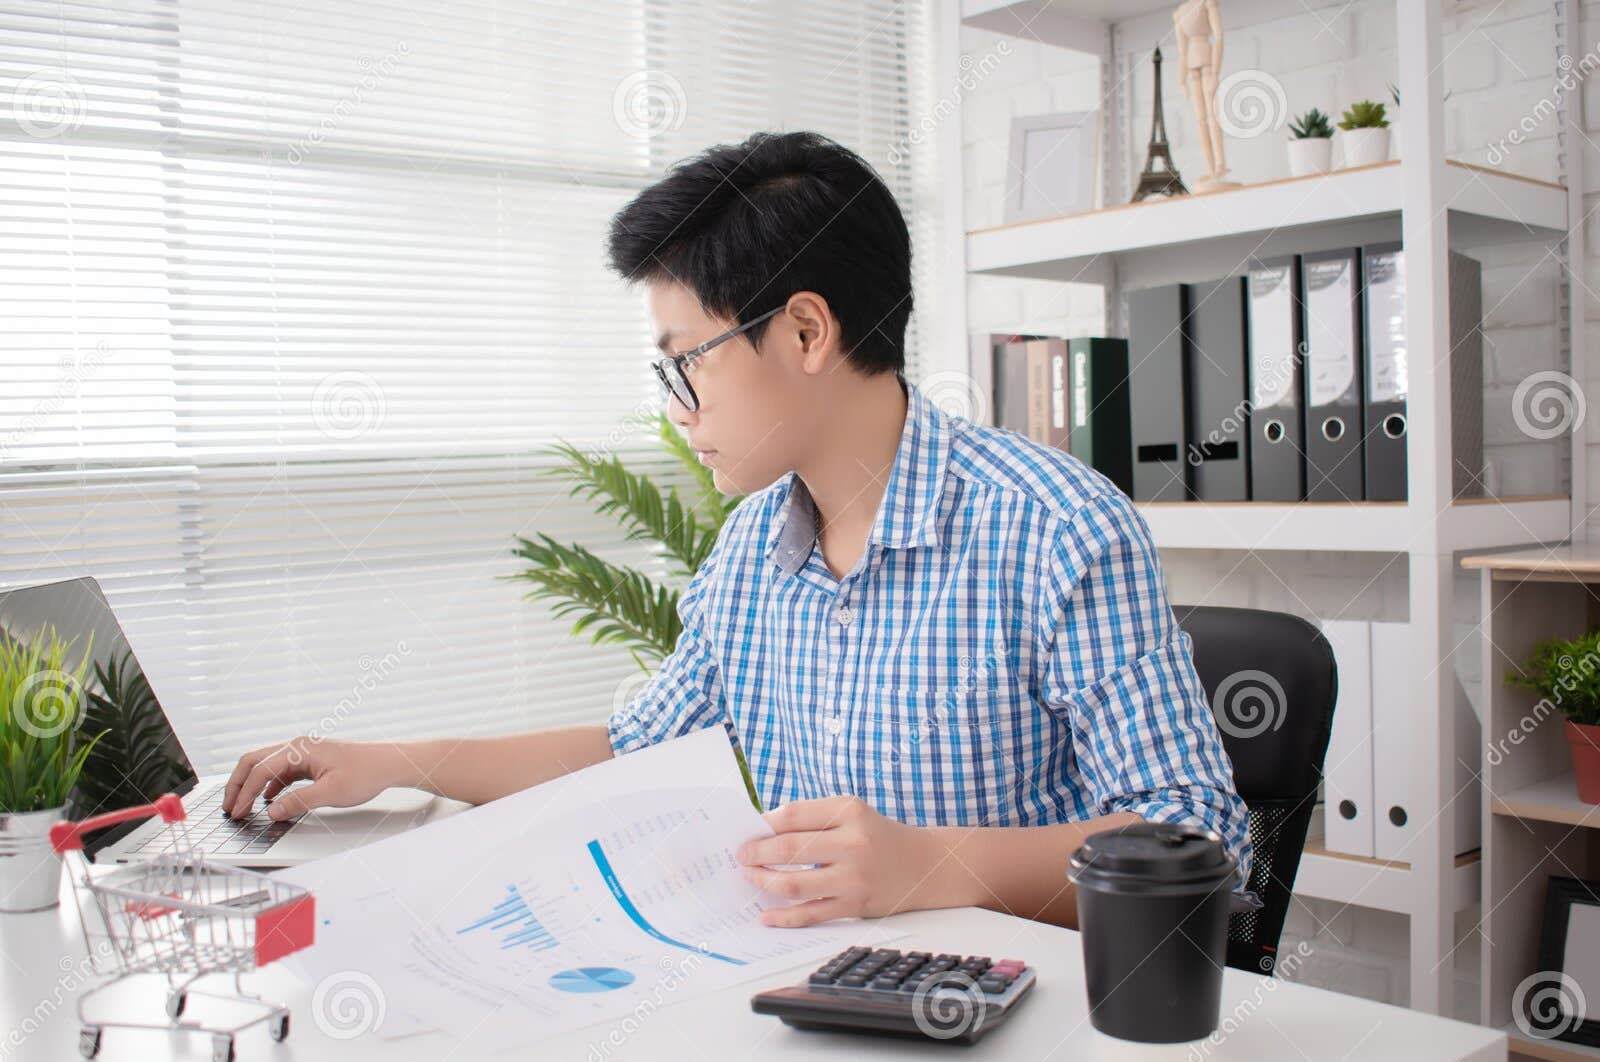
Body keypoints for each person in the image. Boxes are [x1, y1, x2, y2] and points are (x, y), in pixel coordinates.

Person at [224, 130, 1251, 929]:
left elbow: (1199, 840)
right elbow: (634, 746)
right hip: (816, 995)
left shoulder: (1057, 529)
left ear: (806, 330)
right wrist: (399, 760)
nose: (677, 405)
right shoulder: (755, 544)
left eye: (688, 361)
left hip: (1017, 1032)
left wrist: (933, 863)